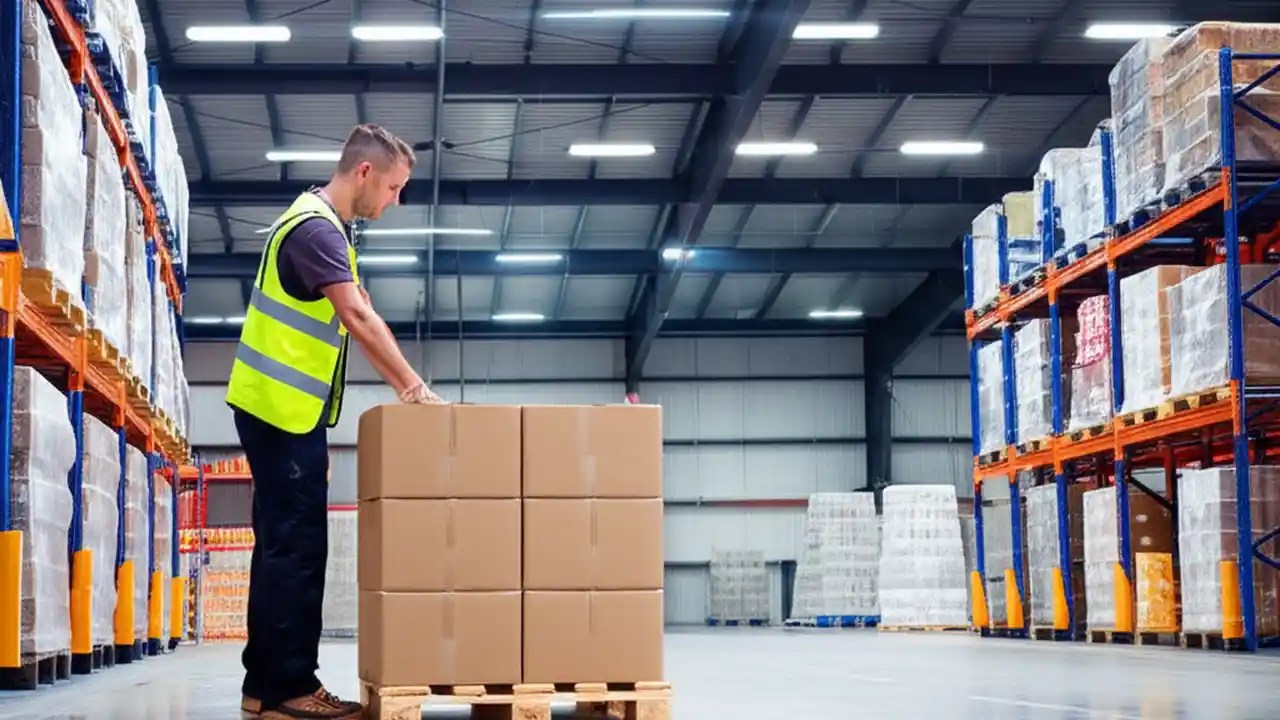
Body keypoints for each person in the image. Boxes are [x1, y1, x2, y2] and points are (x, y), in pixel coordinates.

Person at [225, 124, 444, 719]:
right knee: (297, 551)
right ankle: (290, 690)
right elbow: (356, 318)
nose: (397, 201)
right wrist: (413, 390)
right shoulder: (316, 229)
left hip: (278, 409)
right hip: (280, 410)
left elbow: (364, 310)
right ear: (365, 174)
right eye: (396, 188)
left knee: (278, 548)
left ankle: (262, 687)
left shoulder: (324, 229)